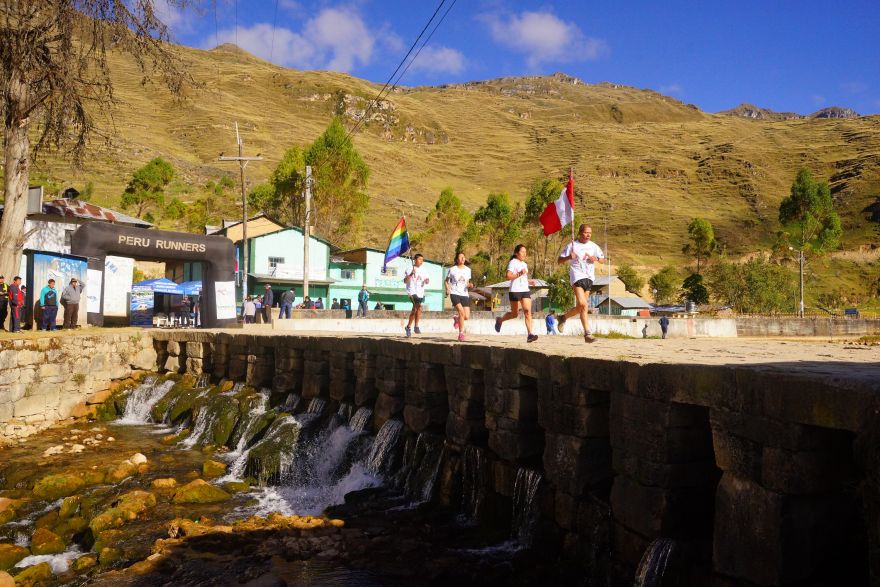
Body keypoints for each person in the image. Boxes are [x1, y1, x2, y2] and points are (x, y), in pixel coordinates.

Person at [557, 224, 606, 343]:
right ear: (580, 233)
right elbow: (559, 260)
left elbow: (603, 259)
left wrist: (596, 259)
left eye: (590, 232)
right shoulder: (572, 245)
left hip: (589, 278)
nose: (588, 235)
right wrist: (569, 256)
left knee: (580, 307)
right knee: (584, 305)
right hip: (577, 277)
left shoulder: (593, 246)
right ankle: (587, 333)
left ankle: (563, 317)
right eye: (586, 232)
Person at [494, 244, 538, 343]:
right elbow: (508, 275)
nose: (524, 254)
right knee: (514, 314)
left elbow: (523, 278)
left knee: (527, 311)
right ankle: (500, 320)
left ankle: (530, 334)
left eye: (525, 252)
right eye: (522, 252)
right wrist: (519, 274)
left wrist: (529, 281)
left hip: (525, 290)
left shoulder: (524, 264)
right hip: (515, 291)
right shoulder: (512, 262)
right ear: (516, 253)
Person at [446, 252, 473, 342]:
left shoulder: (468, 270)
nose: (463, 259)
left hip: (464, 294)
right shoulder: (452, 269)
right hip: (454, 293)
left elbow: (467, 282)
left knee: (467, 316)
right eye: (461, 257)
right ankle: (461, 334)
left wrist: (470, 285)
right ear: (457, 259)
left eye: (464, 257)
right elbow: (446, 281)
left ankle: (456, 319)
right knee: (461, 312)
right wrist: (447, 289)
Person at [404, 254, 430, 337]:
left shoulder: (424, 270)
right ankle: (412, 327)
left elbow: (427, 280)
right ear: (415, 260)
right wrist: (411, 274)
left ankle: (411, 326)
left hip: (420, 291)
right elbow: (405, 281)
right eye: (419, 259)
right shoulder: (409, 268)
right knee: (417, 306)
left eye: (422, 260)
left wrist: (426, 280)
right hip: (411, 291)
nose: (421, 261)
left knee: (417, 309)